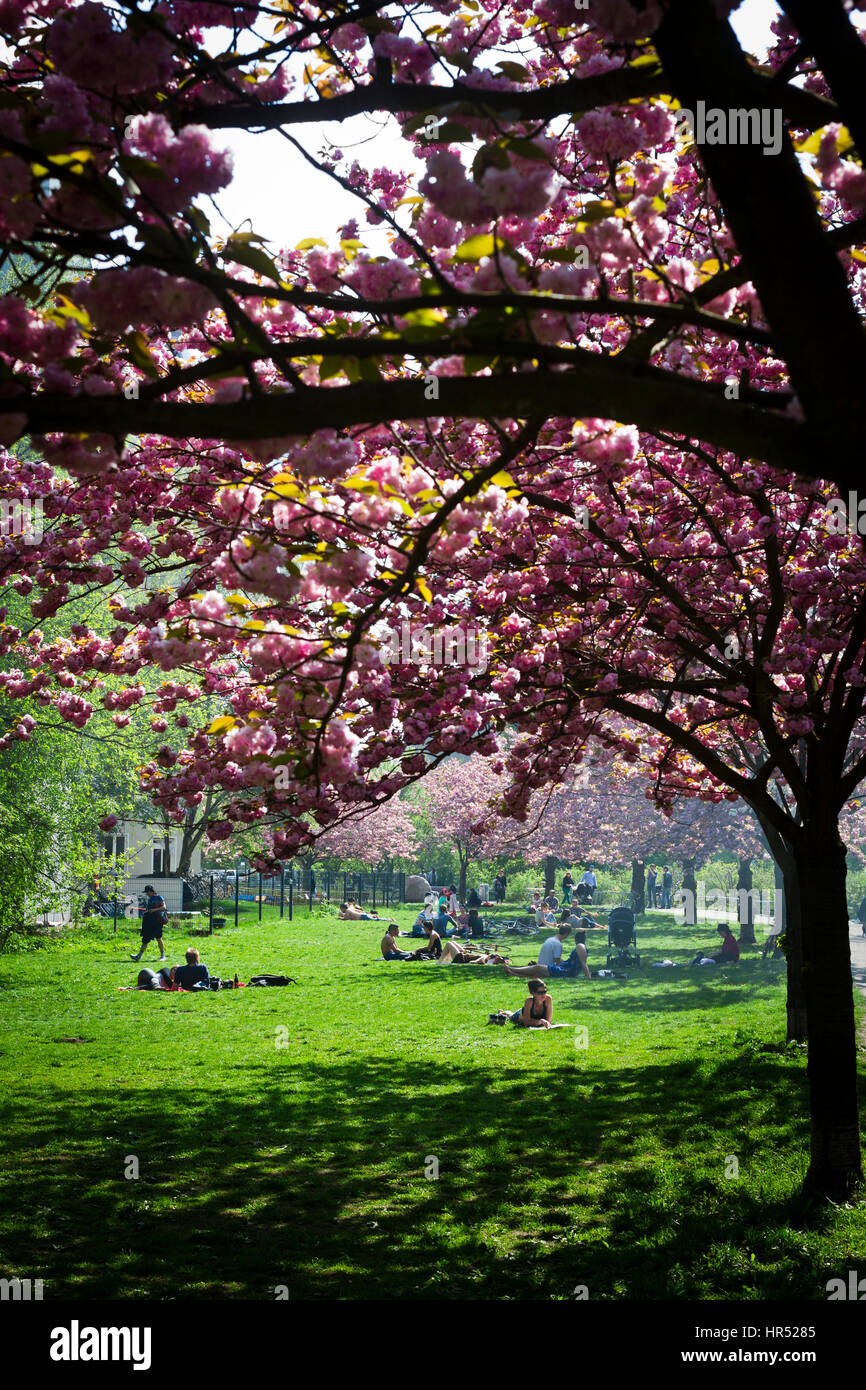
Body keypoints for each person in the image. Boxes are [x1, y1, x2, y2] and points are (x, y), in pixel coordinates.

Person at [503, 929, 591, 981]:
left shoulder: (580, 946)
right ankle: (513, 974)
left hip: (565, 971)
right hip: (565, 968)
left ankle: (512, 969)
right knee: (538, 974)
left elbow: (583, 963)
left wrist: (588, 977)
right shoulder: (581, 946)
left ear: (576, 939)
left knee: (537, 967)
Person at [130, 885, 167, 963]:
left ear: (151, 891)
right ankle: (138, 956)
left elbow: (164, 907)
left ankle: (163, 956)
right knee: (145, 939)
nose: (146, 894)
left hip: (157, 921)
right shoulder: (150, 899)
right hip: (149, 921)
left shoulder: (159, 897)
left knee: (158, 938)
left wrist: (153, 910)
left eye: (147, 892)